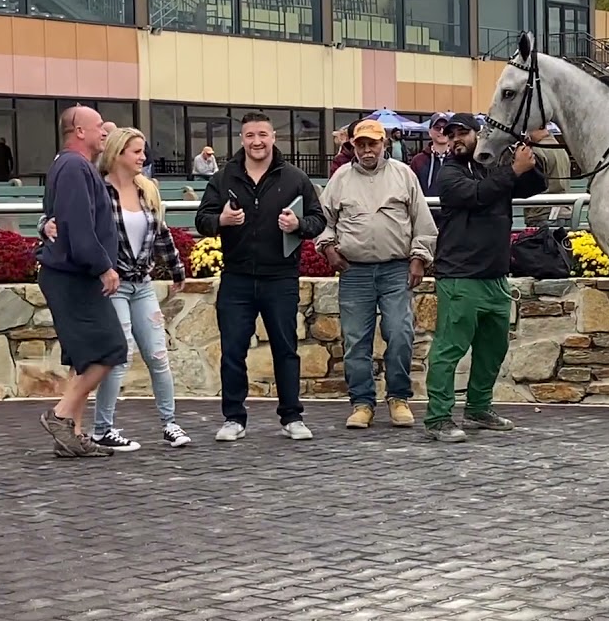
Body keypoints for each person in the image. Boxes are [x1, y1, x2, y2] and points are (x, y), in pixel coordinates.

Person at [37, 127, 192, 451]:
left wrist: (177, 269)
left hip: (143, 283)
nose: (143, 158)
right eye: (136, 152)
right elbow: (66, 218)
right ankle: (100, 428)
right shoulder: (98, 188)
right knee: (115, 354)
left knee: (157, 354)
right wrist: (44, 225)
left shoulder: (148, 189)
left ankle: (170, 423)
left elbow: (161, 232)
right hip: (112, 283)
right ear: (119, 153)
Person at [196, 111, 327, 442]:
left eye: (263, 135)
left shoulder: (295, 177)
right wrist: (221, 221)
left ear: (273, 138)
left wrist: (299, 226)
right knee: (233, 350)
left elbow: (318, 220)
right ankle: (234, 418)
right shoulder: (224, 176)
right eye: (250, 135)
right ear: (242, 139)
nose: (257, 141)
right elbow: (202, 219)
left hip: (280, 277)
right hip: (237, 277)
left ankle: (292, 416)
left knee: (286, 349)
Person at [421, 113, 547, 442]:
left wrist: (527, 152)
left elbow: (535, 186)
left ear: (479, 135)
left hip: (494, 276)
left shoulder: (489, 167)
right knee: (450, 347)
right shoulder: (449, 174)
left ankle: (478, 408)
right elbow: (477, 195)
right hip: (460, 275)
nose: (455, 139)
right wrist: (512, 170)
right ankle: (438, 417)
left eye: (462, 133)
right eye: (450, 135)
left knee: (493, 347)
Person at [316, 119, 437, 430]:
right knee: (356, 340)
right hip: (354, 272)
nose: (367, 149)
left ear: (384, 144)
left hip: (396, 269)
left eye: (373, 143)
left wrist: (419, 259)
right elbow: (323, 221)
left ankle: (398, 398)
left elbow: (423, 222)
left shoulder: (404, 175)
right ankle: (362, 403)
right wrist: (328, 248)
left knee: (400, 333)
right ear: (353, 146)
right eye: (361, 144)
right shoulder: (340, 178)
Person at [36, 105, 128, 458]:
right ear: (78, 131)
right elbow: (78, 226)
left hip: (69, 274)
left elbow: (59, 219)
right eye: (97, 127)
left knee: (85, 356)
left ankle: (72, 436)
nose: (105, 132)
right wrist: (104, 267)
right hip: (74, 275)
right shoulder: (74, 167)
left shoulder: (68, 165)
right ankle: (60, 416)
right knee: (108, 348)